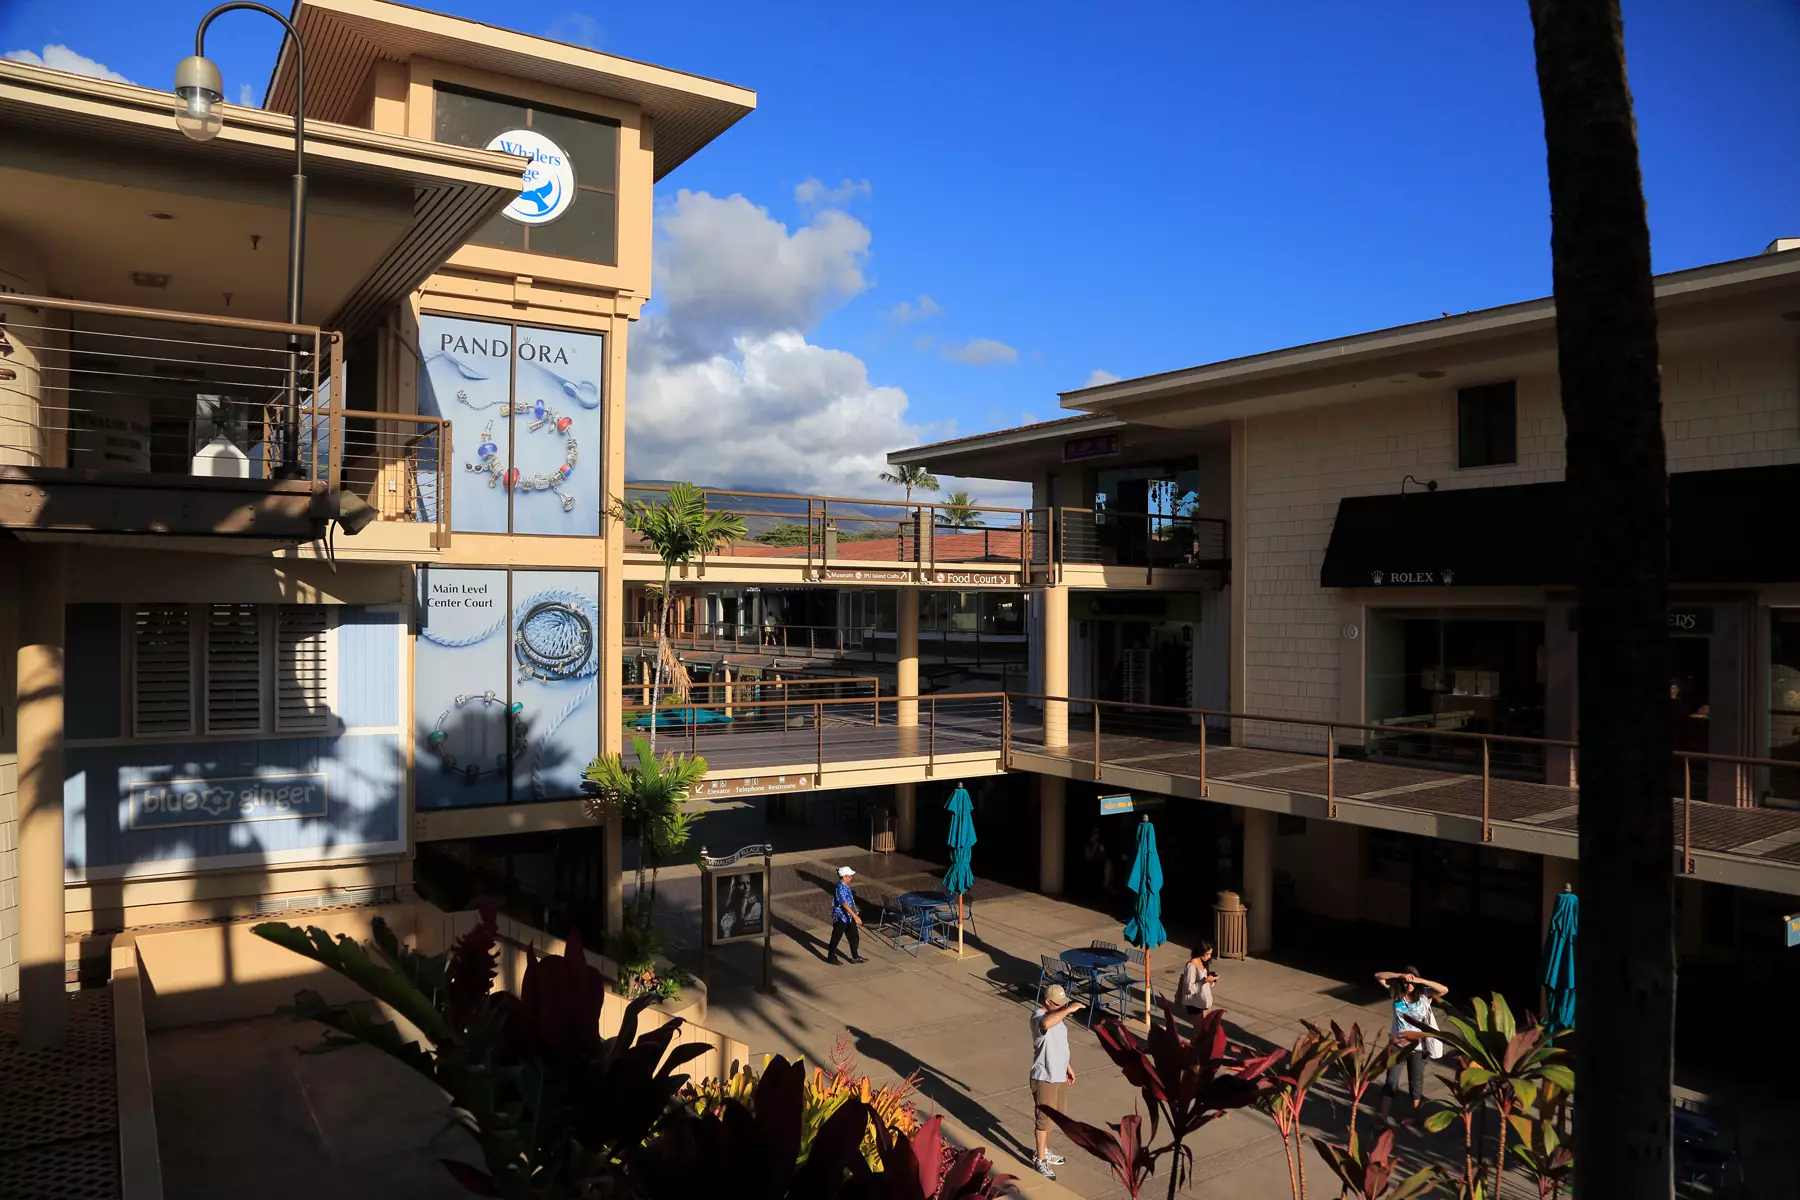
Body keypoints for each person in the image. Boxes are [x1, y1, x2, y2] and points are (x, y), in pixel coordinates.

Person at [1375, 965, 1448, 1124]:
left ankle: (1413, 1117)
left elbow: (1444, 990)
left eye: (1411, 983)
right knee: (1391, 1081)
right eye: (1406, 983)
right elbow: (1379, 975)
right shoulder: (1396, 994)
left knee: (1416, 1083)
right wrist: (1400, 975)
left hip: (1418, 1049)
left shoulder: (1424, 995)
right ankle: (1383, 1116)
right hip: (1397, 1047)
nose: (1408, 986)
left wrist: (1420, 980)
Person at [1029, 983, 1082, 1179]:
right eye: (1058, 1004)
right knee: (1043, 1121)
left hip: (1058, 1075)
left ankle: (1043, 1151)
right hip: (1044, 1078)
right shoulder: (1038, 1018)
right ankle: (1040, 1160)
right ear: (1047, 1002)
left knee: (1053, 1118)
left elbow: (1059, 1045)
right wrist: (1068, 1009)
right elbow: (1045, 1024)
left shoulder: (1057, 1018)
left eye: (1064, 1003)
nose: (1062, 1007)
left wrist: (1067, 1067)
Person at [1175, 940, 1219, 1033]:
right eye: (1207, 954)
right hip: (1195, 1004)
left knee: (1204, 1032)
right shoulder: (1191, 966)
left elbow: (1206, 984)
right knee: (1198, 1033)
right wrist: (1205, 981)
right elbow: (1189, 989)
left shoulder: (1203, 962)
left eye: (1210, 954)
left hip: (1203, 1002)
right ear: (1200, 952)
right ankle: (1192, 1047)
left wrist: (1211, 980)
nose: (1209, 957)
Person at [826, 865, 867, 964]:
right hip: (841, 918)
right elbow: (844, 903)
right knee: (836, 938)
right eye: (849, 876)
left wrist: (854, 910)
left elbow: (849, 902)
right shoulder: (840, 888)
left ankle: (855, 957)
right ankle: (831, 958)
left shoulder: (845, 886)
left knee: (854, 937)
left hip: (848, 917)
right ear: (844, 877)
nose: (851, 878)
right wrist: (855, 916)